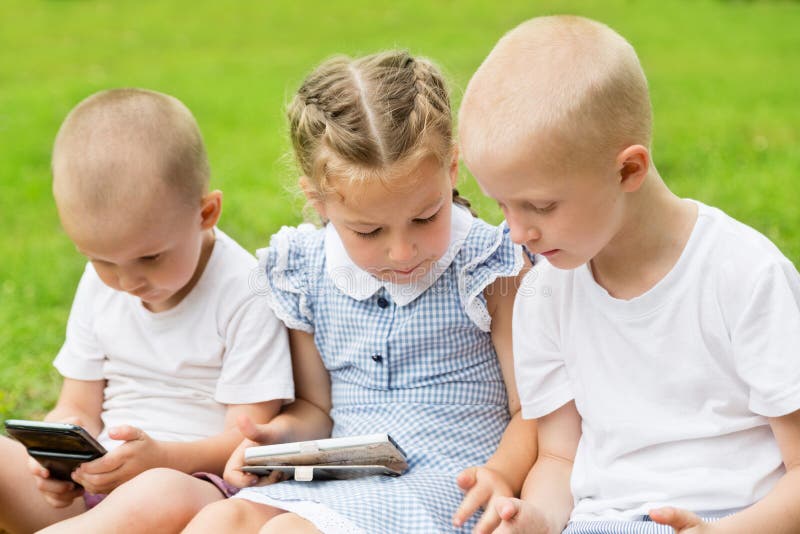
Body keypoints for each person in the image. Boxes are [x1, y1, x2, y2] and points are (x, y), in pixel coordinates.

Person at [458, 14, 800, 534]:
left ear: (628, 170)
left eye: (540, 206)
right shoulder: (545, 293)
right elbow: (559, 458)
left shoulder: (744, 276)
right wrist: (538, 520)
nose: (518, 232)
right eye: (502, 205)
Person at [181, 50, 537, 534]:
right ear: (318, 201)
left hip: (449, 485)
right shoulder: (307, 270)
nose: (402, 251)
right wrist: (274, 441)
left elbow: (531, 408)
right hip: (339, 480)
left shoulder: (487, 265)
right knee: (222, 519)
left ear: (452, 169)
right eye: (369, 231)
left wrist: (502, 474)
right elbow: (316, 410)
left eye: (425, 217)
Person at [0, 88, 294, 534]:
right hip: (97, 484)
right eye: (102, 259)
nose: (127, 281)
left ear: (206, 212)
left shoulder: (246, 290)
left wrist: (162, 459)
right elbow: (76, 404)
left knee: (157, 490)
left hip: (194, 487)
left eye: (150, 258)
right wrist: (55, 459)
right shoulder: (100, 283)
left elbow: (250, 438)